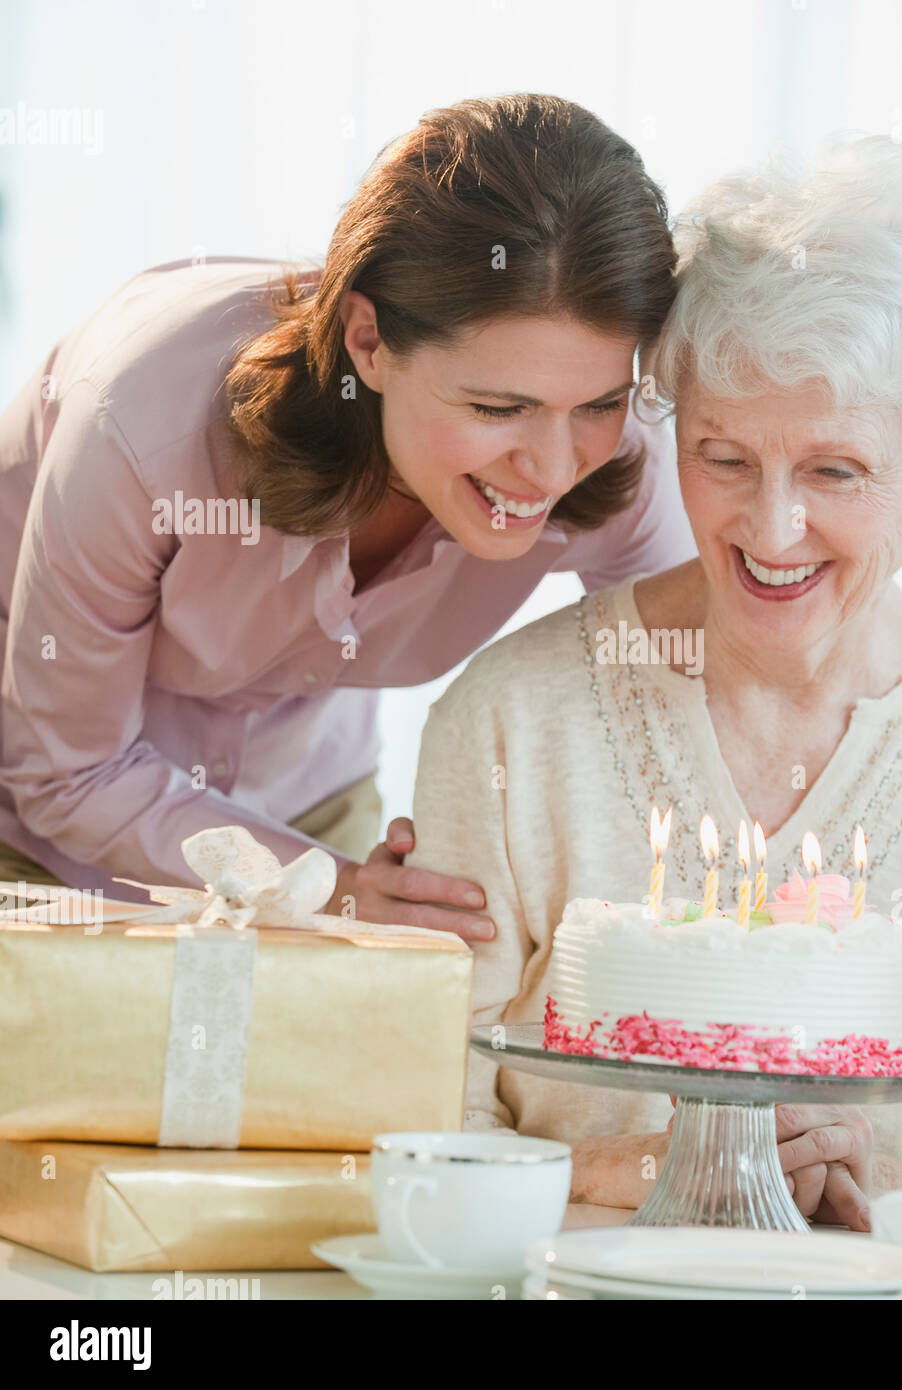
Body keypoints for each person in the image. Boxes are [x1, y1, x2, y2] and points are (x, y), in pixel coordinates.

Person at [410, 135, 902, 1226]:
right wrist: (630, 1174)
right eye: (723, 456)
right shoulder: (509, 723)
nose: (771, 529)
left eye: (835, 471)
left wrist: (881, 1184)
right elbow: (420, 1134)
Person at [0, 94, 693, 935]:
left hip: (307, 811)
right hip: (34, 837)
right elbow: (70, 774)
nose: (552, 468)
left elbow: (675, 713)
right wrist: (328, 887)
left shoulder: (615, 458)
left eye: (598, 401)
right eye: (497, 407)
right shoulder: (140, 425)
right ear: (369, 343)